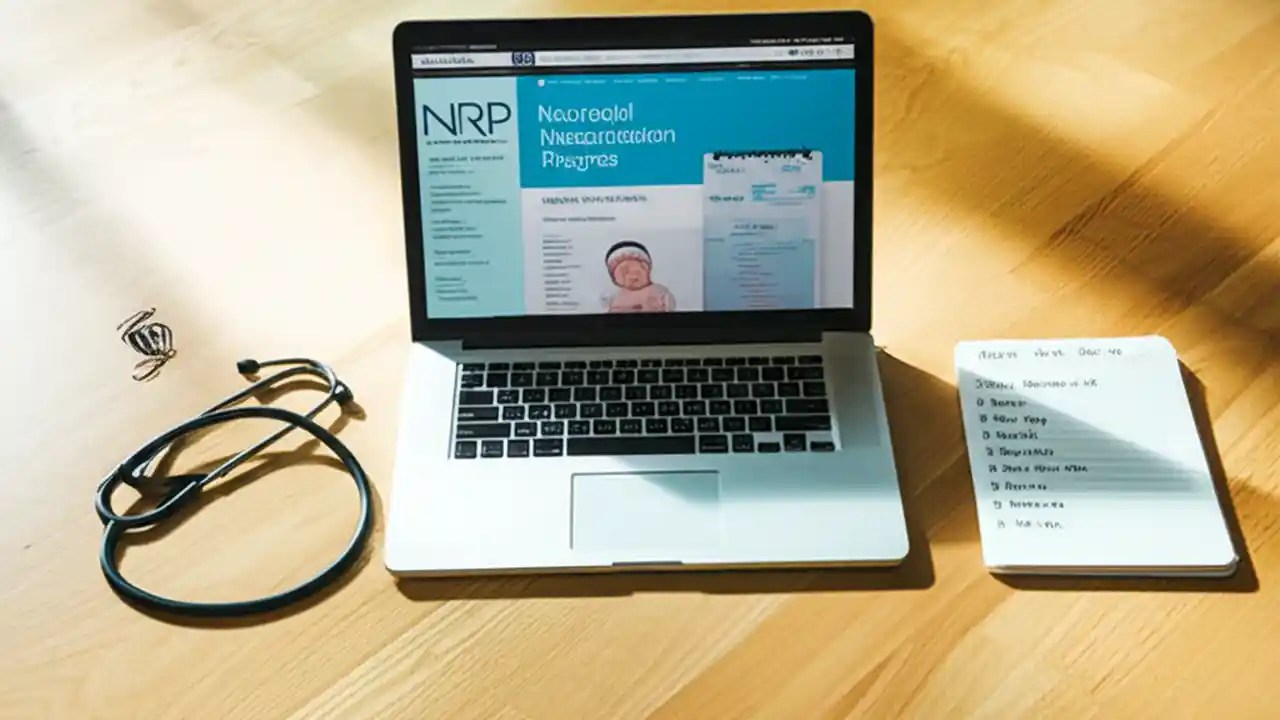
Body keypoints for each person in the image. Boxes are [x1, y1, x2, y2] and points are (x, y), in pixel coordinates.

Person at [603, 241, 676, 313]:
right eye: (624, 273)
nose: (632, 276)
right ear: (615, 279)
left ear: (647, 270)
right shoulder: (616, 296)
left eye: (638, 272)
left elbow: (670, 306)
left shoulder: (657, 290)